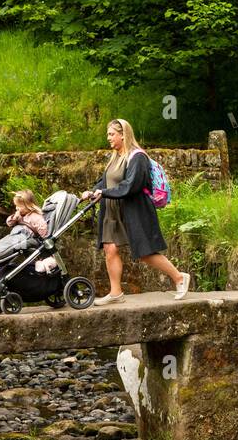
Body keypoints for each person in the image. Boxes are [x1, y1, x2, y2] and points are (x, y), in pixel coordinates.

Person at [80, 118, 191, 303]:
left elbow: (132, 185)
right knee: (110, 248)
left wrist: (104, 192)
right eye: (108, 134)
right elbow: (107, 181)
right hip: (112, 210)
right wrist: (92, 191)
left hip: (134, 209)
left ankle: (179, 277)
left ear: (123, 135)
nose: (108, 138)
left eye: (112, 134)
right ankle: (115, 293)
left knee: (145, 253)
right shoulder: (115, 157)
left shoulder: (137, 157)